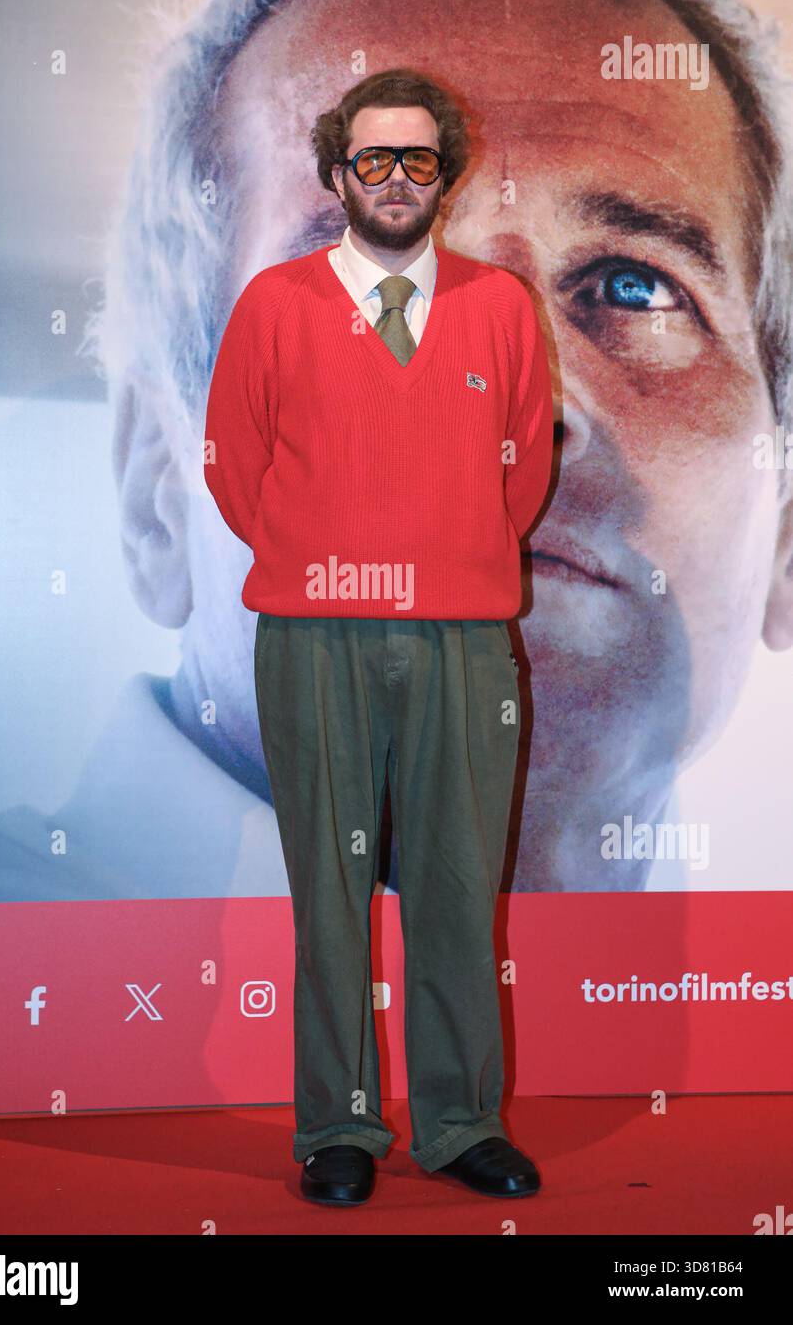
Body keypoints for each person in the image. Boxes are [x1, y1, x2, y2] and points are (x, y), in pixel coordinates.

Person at [204, 68, 554, 1204]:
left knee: (457, 887)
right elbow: (235, 466)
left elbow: (522, 473)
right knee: (332, 887)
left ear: (444, 174)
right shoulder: (272, 305)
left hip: (462, 637)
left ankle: (458, 1123)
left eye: (415, 159)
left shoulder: (501, 308)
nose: (394, 180)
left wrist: (443, 565)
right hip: (313, 639)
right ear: (336, 172)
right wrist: (323, 561)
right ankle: (336, 1124)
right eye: (371, 160)